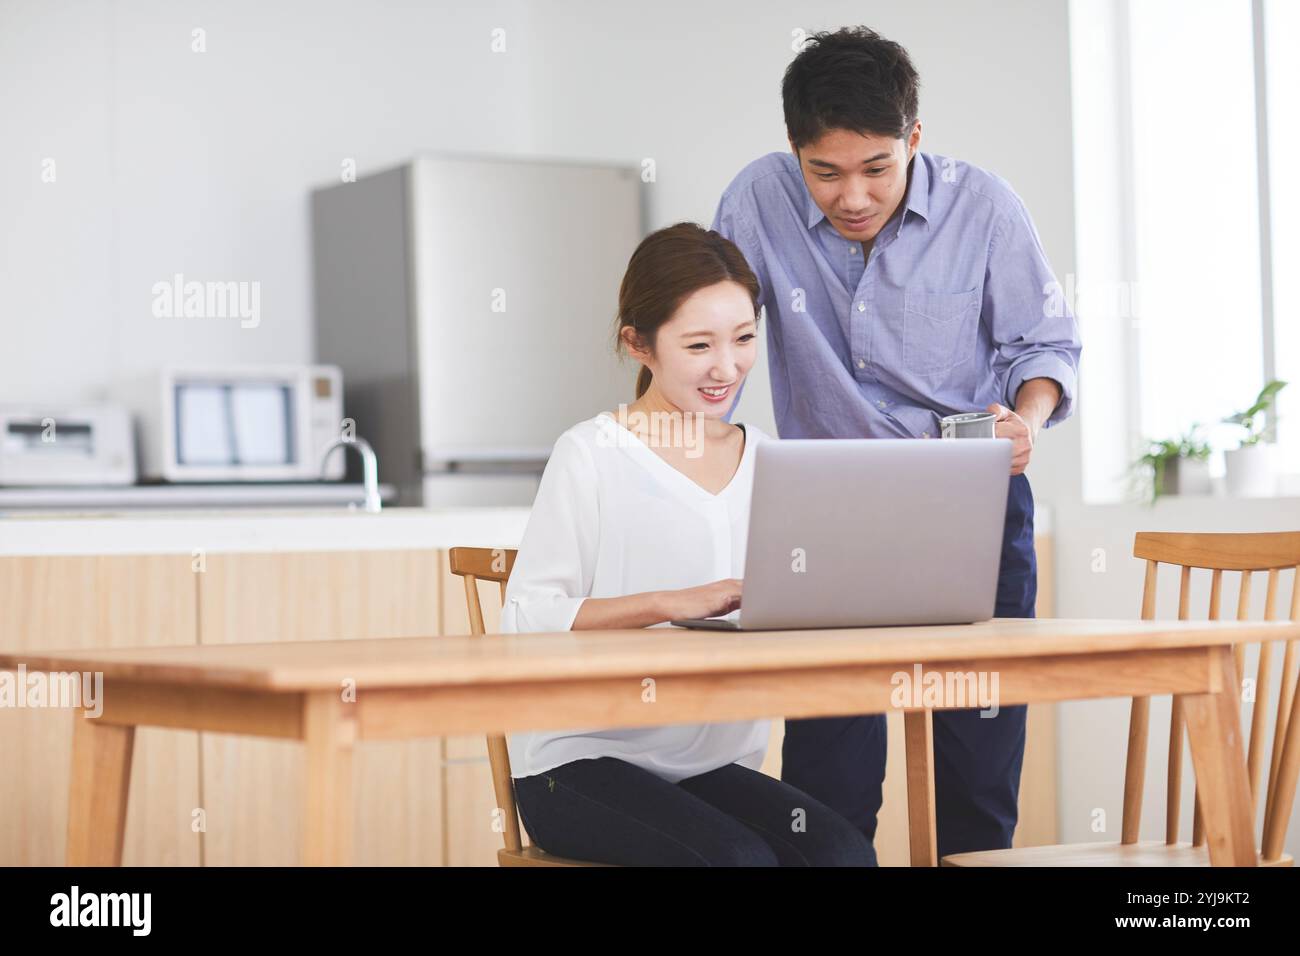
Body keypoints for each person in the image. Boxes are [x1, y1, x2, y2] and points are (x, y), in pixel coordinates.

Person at [710, 26, 1082, 858]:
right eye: (826, 171)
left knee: (976, 766)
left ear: (914, 137)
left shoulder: (983, 207)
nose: (851, 197)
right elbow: (718, 336)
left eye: (877, 167)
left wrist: (1028, 412)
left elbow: (1045, 344)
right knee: (826, 773)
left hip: (973, 507)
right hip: (823, 514)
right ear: (793, 150)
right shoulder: (756, 201)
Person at [502, 222, 876, 866]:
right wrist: (670, 603)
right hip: (577, 762)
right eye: (699, 344)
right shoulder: (591, 453)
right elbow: (525, 619)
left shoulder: (769, 460)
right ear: (638, 344)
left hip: (707, 763)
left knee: (843, 855)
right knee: (737, 861)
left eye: (743, 339)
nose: (725, 367)